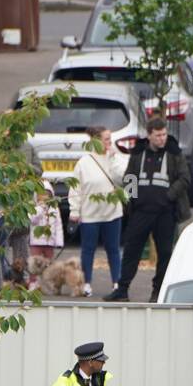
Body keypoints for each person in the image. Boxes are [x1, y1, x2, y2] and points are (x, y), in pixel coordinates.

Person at [103, 117, 191, 302]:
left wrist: (168, 196)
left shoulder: (174, 152)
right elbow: (130, 176)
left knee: (165, 253)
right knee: (131, 250)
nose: (162, 138)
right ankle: (123, 289)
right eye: (158, 135)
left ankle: (157, 291)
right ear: (149, 135)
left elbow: (184, 178)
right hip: (141, 211)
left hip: (165, 213)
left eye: (164, 134)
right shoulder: (139, 152)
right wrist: (132, 199)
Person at [69, 126, 128, 297]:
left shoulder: (116, 159)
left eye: (110, 139)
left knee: (113, 249)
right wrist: (74, 210)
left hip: (112, 212)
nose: (109, 143)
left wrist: (114, 159)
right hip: (90, 214)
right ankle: (86, 283)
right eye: (106, 139)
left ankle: (117, 282)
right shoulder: (84, 163)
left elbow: (127, 179)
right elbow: (75, 188)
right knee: (88, 249)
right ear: (95, 140)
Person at [28, 184, 64, 263]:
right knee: (34, 264)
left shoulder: (54, 208)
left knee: (49, 263)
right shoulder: (34, 208)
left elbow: (58, 226)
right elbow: (32, 220)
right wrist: (40, 208)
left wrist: (59, 241)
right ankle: (34, 275)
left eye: (46, 195)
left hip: (49, 242)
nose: (44, 197)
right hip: (36, 242)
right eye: (41, 195)